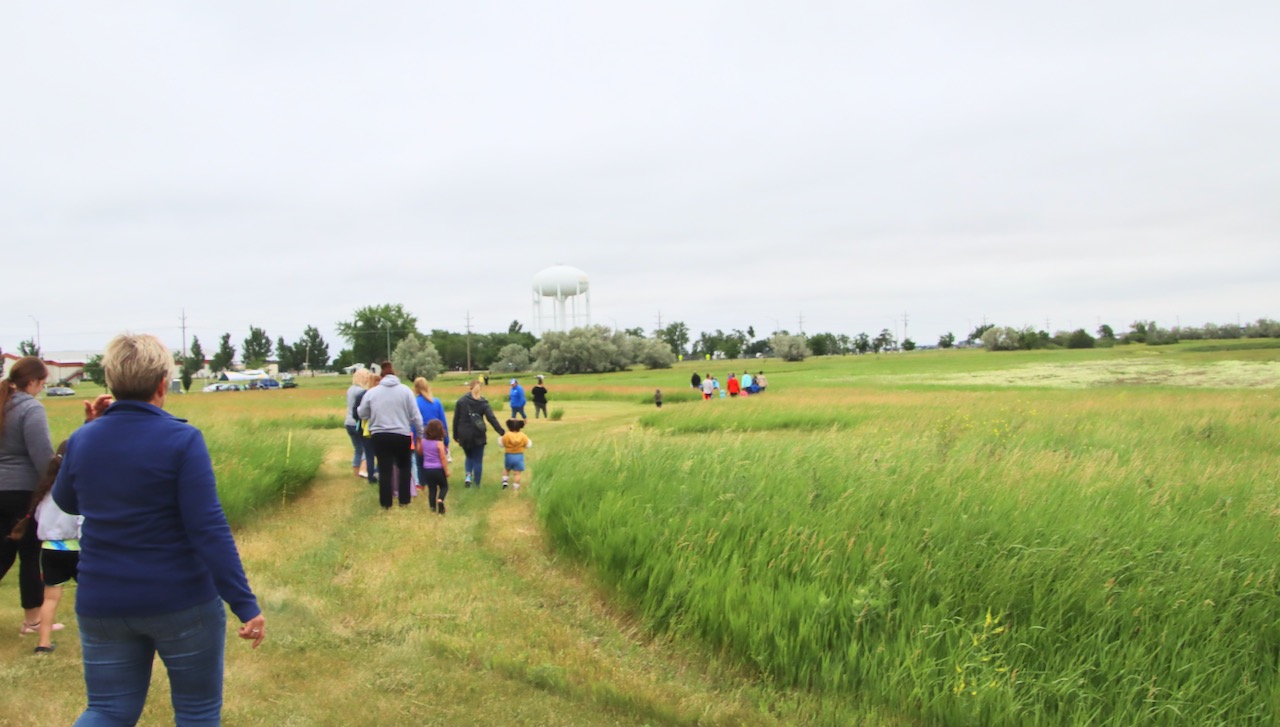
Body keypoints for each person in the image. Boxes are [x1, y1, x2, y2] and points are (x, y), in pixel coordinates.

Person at [51, 333, 265, 725]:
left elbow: (67, 501)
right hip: (180, 599)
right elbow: (207, 528)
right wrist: (244, 604)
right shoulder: (182, 439)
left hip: (103, 599)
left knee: (106, 710)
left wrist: (88, 431)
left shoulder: (83, 439)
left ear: (110, 383)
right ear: (162, 384)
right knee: (197, 711)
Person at [0, 355, 55, 636]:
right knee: (30, 557)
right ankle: (33, 621)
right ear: (32, 382)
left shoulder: (3, 404)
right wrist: (54, 483)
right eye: (42, 383)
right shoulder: (30, 409)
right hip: (23, 494)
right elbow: (42, 456)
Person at [8, 441, 77, 654]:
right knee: (89, 598)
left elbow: (38, 518)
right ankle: (97, 640)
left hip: (49, 550)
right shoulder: (77, 489)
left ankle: (43, 643)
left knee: (50, 598)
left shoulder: (45, 492)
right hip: (77, 549)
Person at [358, 362, 424, 509]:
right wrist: (420, 433)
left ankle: (386, 503)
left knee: (385, 469)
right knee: (404, 467)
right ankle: (404, 500)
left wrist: (372, 413)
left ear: (381, 376)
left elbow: (361, 413)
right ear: (395, 375)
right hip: (402, 434)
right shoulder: (406, 391)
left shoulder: (372, 392)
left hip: (380, 435)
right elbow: (415, 416)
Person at [452, 380, 505, 487]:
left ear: (470, 388)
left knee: (469, 456)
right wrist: (501, 431)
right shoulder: (483, 403)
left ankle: (468, 477)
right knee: (478, 460)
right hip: (478, 434)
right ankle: (477, 483)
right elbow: (491, 418)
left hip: (464, 433)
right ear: (480, 389)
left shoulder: (461, 401)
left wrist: (455, 435)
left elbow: (456, 419)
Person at [413, 377, 450, 461]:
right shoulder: (436, 402)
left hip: (421, 439)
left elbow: (413, 424)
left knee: (420, 467)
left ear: (416, 389)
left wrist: (413, 442)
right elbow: (443, 423)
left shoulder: (415, 403)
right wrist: (446, 441)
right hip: (436, 438)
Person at [418, 420, 451, 515]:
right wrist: (446, 471)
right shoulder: (439, 444)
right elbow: (443, 458)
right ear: (441, 432)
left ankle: (432, 509)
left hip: (427, 470)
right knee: (444, 486)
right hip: (438, 469)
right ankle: (440, 500)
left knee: (432, 489)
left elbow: (420, 453)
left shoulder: (424, 442)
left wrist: (419, 443)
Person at [345, 369, 372, 478]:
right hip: (357, 422)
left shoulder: (350, 389)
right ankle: (364, 469)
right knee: (367, 447)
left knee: (358, 449)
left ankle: (356, 472)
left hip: (348, 422)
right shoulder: (361, 392)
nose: (368, 379)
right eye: (366, 377)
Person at [500, 419, 532, 492]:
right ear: (520, 427)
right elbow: (528, 445)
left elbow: (502, 443)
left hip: (509, 455)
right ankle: (515, 488)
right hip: (519, 456)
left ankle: (505, 482)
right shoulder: (523, 436)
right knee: (517, 474)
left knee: (506, 469)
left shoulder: (507, 435)